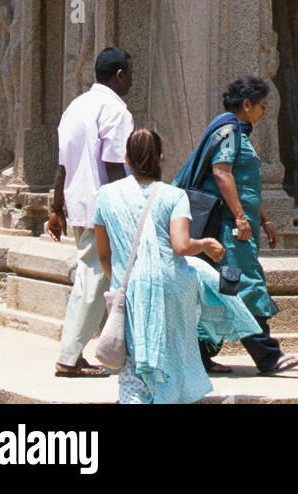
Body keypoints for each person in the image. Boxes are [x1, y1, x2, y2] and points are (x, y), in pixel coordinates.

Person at [94, 127, 261, 404]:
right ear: (160, 158)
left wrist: (126, 282)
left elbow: (103, 255)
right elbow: (182, 246)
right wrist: (207, 243)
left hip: (129, 293)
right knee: (173, 362)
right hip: (172, 291)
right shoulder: (174, 196)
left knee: (134, 369)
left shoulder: (106, 196)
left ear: (126, 158)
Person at [174, 75, 298, 376]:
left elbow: (247, 186)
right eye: (261, 105)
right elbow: (222, 175)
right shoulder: (231, 133)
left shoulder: (235, 134)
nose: (264, 111)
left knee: (220, 290)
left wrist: (267, 221)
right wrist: (241, 218)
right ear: (246, 105)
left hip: (238, 226)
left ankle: (199, 357)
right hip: (230, 230)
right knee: (244, 283)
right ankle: (267, 356)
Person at [47, 47, 134, 378]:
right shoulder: (115, 110)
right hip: (103, 209)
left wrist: (56, 209)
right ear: (120, 75)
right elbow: (115, 166)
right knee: (92, 280)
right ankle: (68, 357)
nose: (132, 81)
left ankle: (86, 352)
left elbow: (62, 165)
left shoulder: (76, 106)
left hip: (79, 205)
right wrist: (125, 210)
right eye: (130, 74)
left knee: (94, 278)